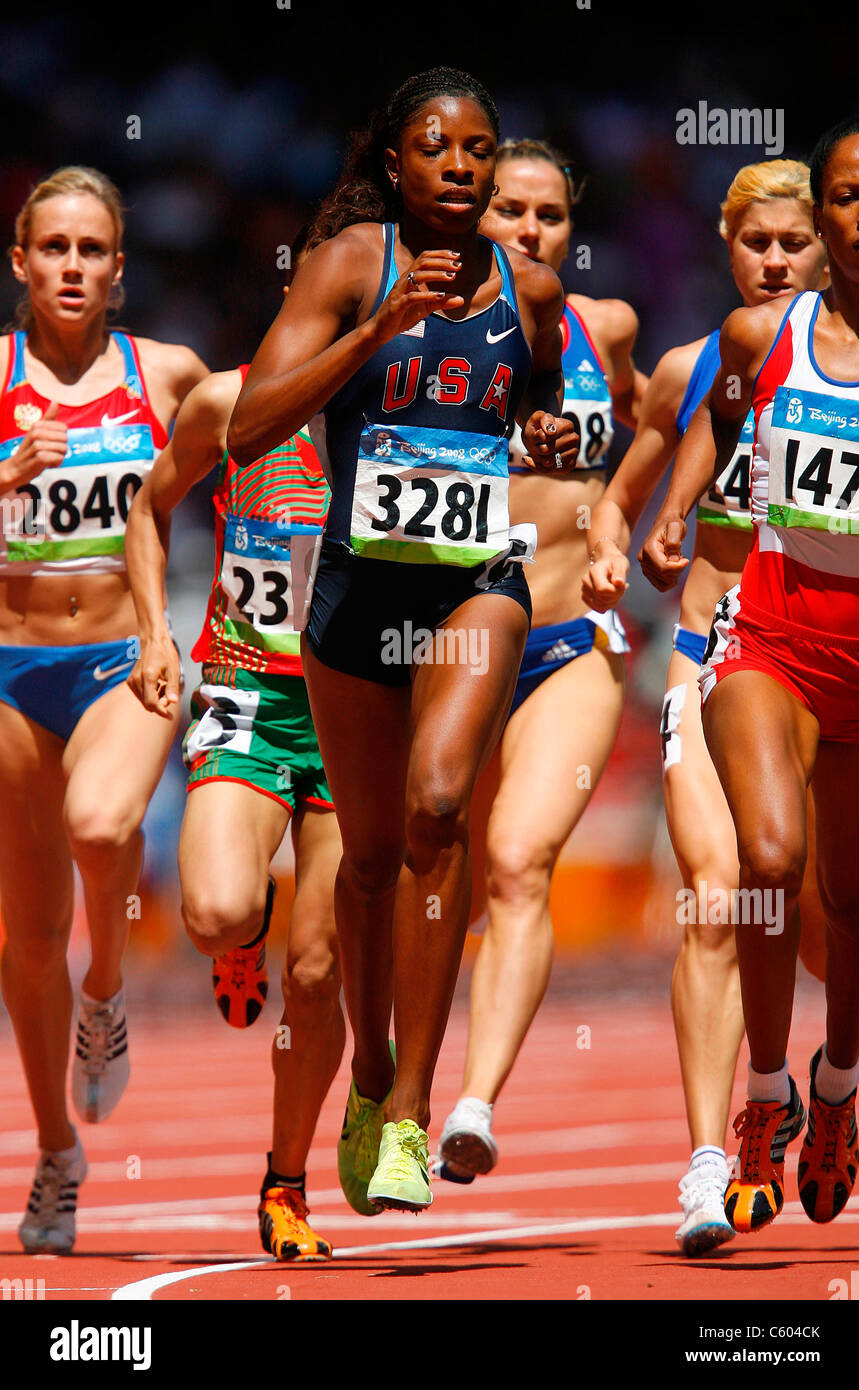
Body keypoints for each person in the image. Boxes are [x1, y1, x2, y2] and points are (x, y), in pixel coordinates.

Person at [228, 67, 578, 1213]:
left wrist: (544, 430)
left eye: (481, 149)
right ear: (395, 161)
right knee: (368, 861)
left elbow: (530, 398)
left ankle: (415, 1105)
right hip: (354, 605)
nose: (464, 166)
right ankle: (369, 1072)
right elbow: (251, 427)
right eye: (438, 147)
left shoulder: (528, 285)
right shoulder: (347, 263)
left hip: (477, 585)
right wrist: (382, 326)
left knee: (438, 808)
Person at [583, 160, 828, 1253]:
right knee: (717, 894)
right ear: (726, 245)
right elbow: (628, 490)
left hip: (834, 665)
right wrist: (612, 542)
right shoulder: (697, 365)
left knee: (825, 924)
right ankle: (706, 1158)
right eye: (755, 243)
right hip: (712, 650)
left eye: (794, 244)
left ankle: (829, 1082)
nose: (773, 261)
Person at [637, 115, 859, 1235]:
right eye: (848, 195)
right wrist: (673, 507)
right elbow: (716, 417)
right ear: (828, 218)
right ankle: (762, 1098)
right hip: (762, 639)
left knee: (851, 908)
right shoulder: (754, 337)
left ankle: (834, 1095)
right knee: (762, 862)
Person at [0, 166, 207, 1254]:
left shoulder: (165, 373)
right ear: (21, 262)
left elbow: (274, 436)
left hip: (123, 656)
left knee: (102, 824)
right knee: (26, 939)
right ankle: (55, 1156)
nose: (72, 267)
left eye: (92, 251)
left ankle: (110, 992)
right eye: (53, 248)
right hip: (7, 666)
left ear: (119, 270)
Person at [433, 138, 645, 1183]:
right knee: (438, 880)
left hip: (569, 643)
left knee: (519, 862)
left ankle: (473, 1105)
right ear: (473, 218)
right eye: (509, 210)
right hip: (447, 642)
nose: (529, 228)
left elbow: (655, 434)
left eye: (551, 214)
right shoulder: (421, 328)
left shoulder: (607, 330)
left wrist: (617, 526)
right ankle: (388, 1095)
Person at [125, 258, 345, 1256]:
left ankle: (286, 1180)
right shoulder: (229, 401)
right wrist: (154, 632)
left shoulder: (406, 424)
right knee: (214, 913)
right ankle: (246, 929)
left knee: (320, 970)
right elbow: (149, 503)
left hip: (360, 711)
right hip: (248, 693)